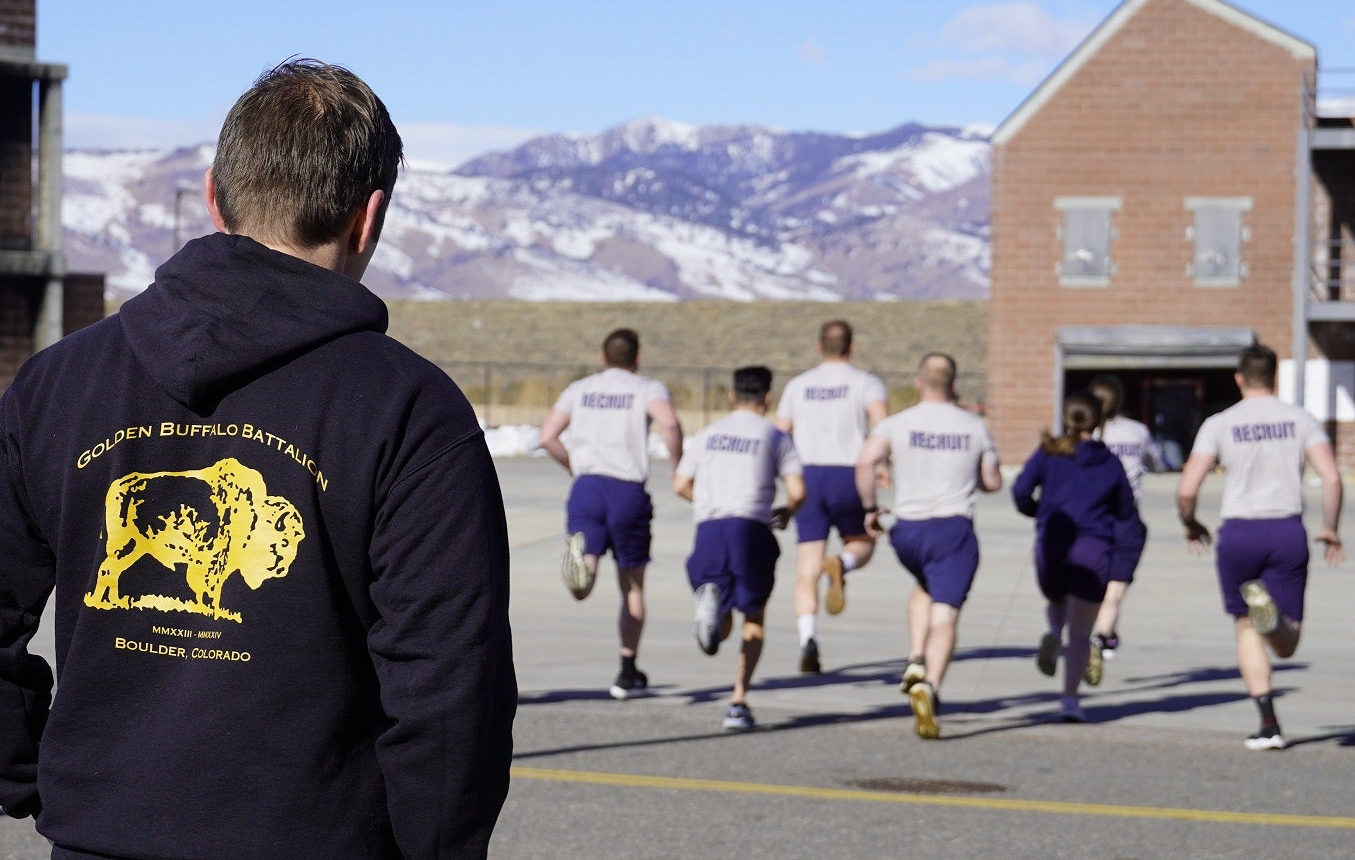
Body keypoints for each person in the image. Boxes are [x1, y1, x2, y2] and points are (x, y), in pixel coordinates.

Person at [0, 59, 516, 859]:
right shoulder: (408, 408)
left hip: (97, 839)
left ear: (215, 196)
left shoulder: (56, 382)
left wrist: (37, 776)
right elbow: (451, 682)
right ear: (367, 219)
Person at [1177, 343, 1345, 751]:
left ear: (1239, 378)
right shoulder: (1300, 419)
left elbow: (1187, 487)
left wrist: (1191, 522)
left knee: (1244, 627)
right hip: (1285, 530)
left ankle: (1268, 723)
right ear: (1275, 376)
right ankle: (1273, 621)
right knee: (1287, 647)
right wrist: (1330, 527)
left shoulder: (1220, 423)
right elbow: (1333, 478)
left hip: (1238, 533)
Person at [855, 353, 1001, 740]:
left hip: (907, 531)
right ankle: (930, 687)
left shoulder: (896, 423)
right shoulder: (975, 426)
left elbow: (865, 462)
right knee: (946, 617)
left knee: (924, 586)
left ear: (919, 383)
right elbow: (993, 482)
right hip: (952, 531)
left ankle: (915, 658)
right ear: (954, 385)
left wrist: (869, 509)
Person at [539, 328, 684, 700]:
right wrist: (677, 464)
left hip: (587, 487)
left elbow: (547, 436)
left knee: (586, 576)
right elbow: (668, 422)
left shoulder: (579, 389)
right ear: (637, 358)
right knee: (632, 585)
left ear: (603, 357)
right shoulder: (647, 388)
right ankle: (626, 670)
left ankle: (583, 572)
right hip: (627, 490)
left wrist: (573, 464)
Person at [674, 366, 804, 731]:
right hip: (751, 528)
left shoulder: (708, 434)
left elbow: (680, 483)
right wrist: (788, 511)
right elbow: (798, 491)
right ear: (768, 398)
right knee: (754, 618)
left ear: (731, 396)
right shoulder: (775, 436)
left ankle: (710, 605)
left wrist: (708, 503)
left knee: (723, 616)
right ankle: (738, 700)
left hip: (710, 528)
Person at [1012, 390, 1138, 723]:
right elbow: (1126, 510)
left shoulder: (1048, 452)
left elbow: (1020, 491)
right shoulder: (1109, 462)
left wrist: (1039, 513)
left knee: (1056, 599)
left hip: (1052, 543)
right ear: (1099, 422)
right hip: (1092, 546)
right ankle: (1069, 700)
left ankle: (1053, 634)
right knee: (1081, 633)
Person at [774, 319, 889, 674]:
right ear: (851, 347)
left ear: (819, 346)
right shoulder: (865, 382)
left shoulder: (798, 385)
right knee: (864, 540)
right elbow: (882, 425)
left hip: (808, 474)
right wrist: (883, 463)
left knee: (806, 566)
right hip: (849, 473)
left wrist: (782, 474)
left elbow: (780, 432)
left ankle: (809, 637)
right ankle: (843, 564)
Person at [1087, 374, 1165, 659]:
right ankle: (1102, 635)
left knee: (1092, 586)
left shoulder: (1086, 434)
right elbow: (1156, 462)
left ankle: (1096, 634)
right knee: (1115, 589)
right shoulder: (1137, 431)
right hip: (1126, 518)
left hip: (1092, 518)